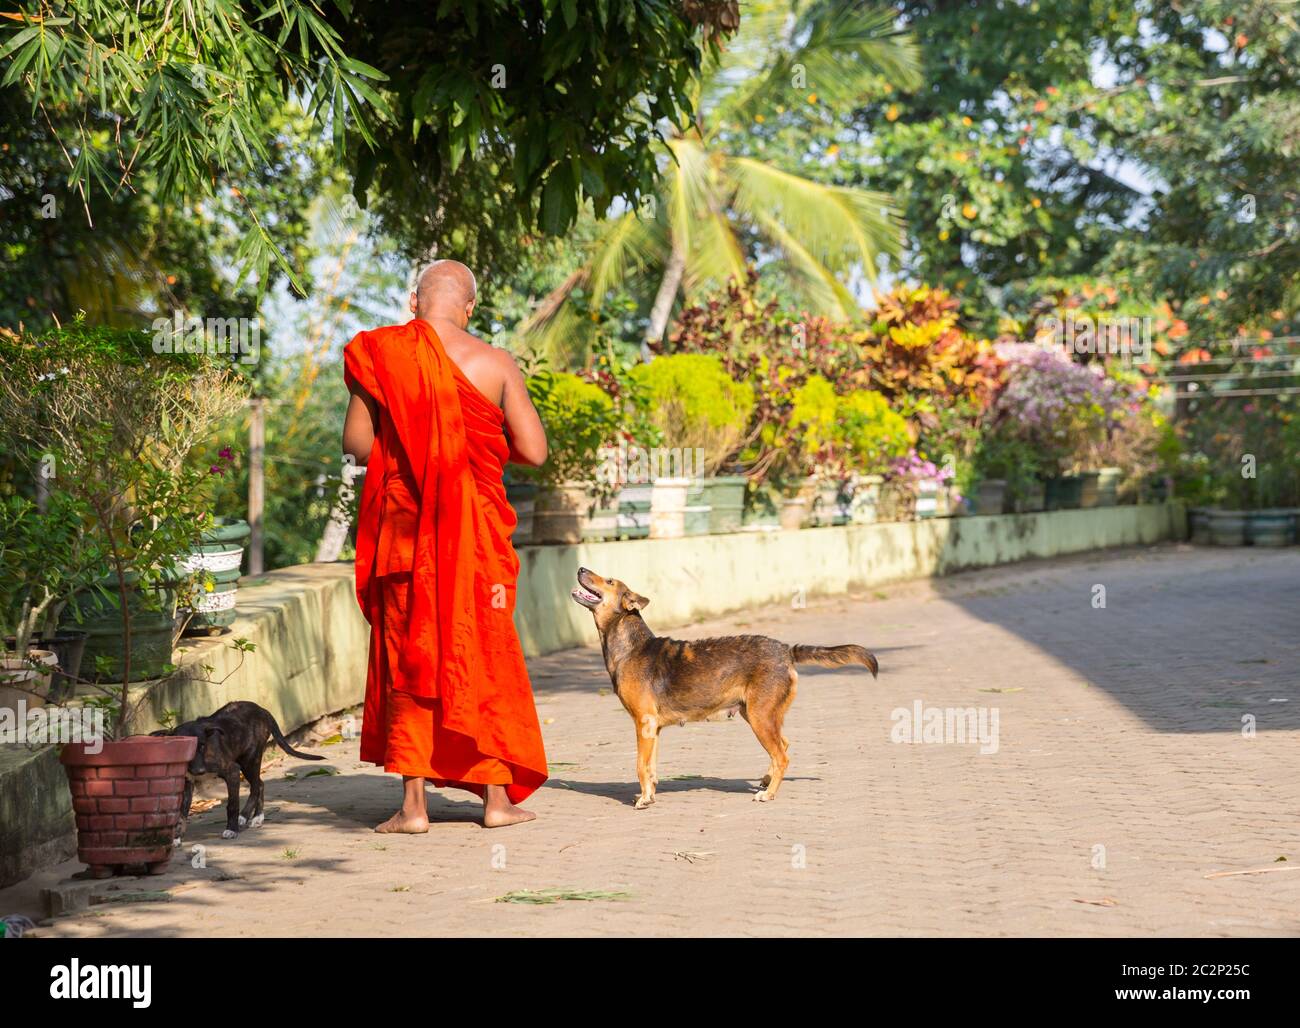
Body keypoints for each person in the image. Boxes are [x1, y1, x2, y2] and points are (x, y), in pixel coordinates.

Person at [341, 260, 549, 832]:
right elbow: (533, 451)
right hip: (476, 540)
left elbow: (357, 444)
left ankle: (413, 809)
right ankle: (495, 801)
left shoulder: (381, 355)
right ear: (470, 307)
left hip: (407, 540)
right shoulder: (496, 363)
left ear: (413, 302)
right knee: (478, 652)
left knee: (413, 655)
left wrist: (409, 432)